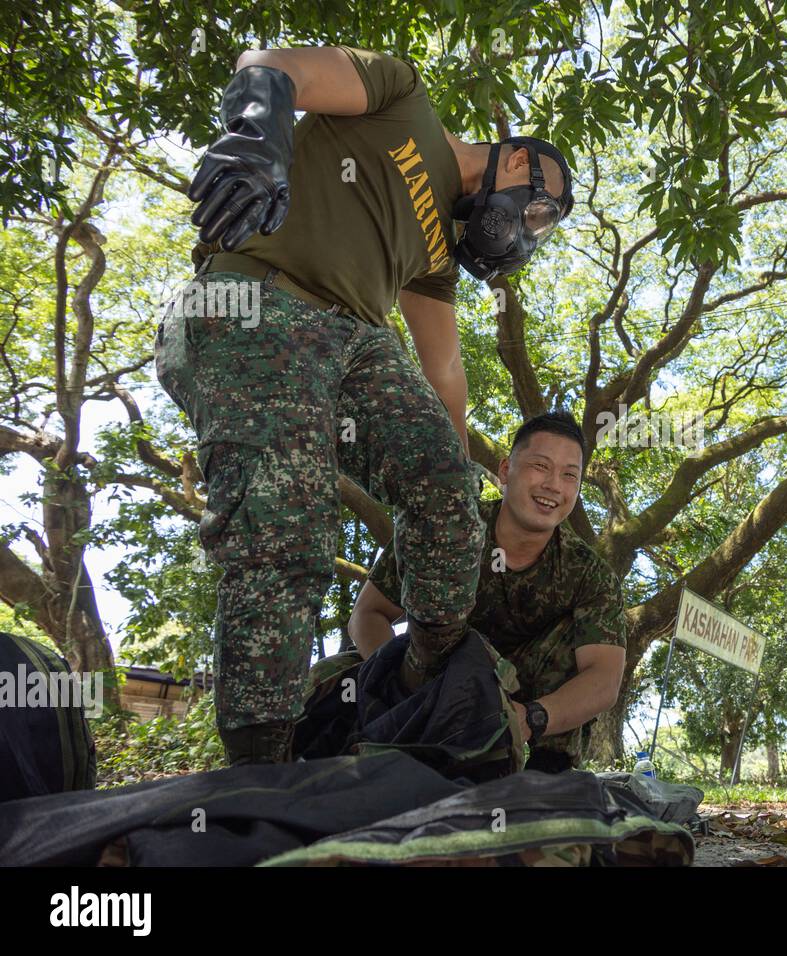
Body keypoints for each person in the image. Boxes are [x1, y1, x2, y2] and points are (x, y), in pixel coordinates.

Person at [156, 45, 575, 765]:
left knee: (448, 490)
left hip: (353, 343)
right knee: (286, 530)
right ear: (516, 164)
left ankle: (421, 676)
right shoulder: (404, 98)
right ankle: (260, 768)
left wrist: (441, 469)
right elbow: (274, 65)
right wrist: (257, 133)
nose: (530, 231)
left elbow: (444, 372)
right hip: (254, 302)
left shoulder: (438, 252)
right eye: (540, 209)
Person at [346, 411, 627, 772]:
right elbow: (367, 615)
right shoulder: (447, 531)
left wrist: (529, 719)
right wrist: (406, 691)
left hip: (524, 707)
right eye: (540, 466)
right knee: (331, 681)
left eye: (569, 475)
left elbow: (604, 679)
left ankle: (541, 779)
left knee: (574, 640)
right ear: (506, 470)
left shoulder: (590, 573)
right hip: (435, 680)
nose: (554, 485)